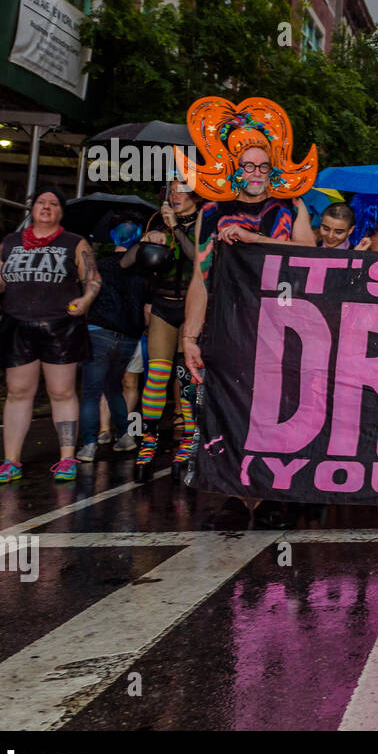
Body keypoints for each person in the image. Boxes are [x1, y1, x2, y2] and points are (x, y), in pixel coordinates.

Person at [180, 96, 319, 485]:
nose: (256, 172)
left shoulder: (291, 206)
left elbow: (313, 256)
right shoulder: (211, 214)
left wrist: (252, 238)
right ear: (234, 169)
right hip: (232, 327)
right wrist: (190, 338)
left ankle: (279, 490)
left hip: (285, 325)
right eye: (248, 165)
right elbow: (200, 278)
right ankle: (239, 490)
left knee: (281, 406)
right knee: (235, 407)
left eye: (263, 165)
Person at [0, 187, 101, 484]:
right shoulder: (10, 242)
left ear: (61, 212)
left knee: (61, 392)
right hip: (18, 324)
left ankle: (66, 458)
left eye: (53, 204)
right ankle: (10, 462)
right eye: (40, 202)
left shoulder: (74, 242)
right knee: (17, 393)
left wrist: (86, 300)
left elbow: (93, 280)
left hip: (60, 325)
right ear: (32, 208)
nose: (46, 207)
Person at [129, 186, 201, 481]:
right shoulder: (157, 222)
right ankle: (149, 440)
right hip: (161, 306)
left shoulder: (206, 221)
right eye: (171, 191)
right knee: (156, 375)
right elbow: (129, 264)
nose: (175, 196)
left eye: (181, 191)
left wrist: (175, 228)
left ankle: (187, 438)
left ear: (195, 195)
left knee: (185, 377)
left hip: (191, 308)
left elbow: (199, 259)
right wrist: (146, 242)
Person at [77, 222, 148, 461]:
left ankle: (89, 443)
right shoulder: (143, 270)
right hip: (129, 335)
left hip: (99, 330)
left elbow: (87, 291)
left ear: (113, 236)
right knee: (114, 386)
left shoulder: (99, 265)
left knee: (91, 392)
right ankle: (126, 435)